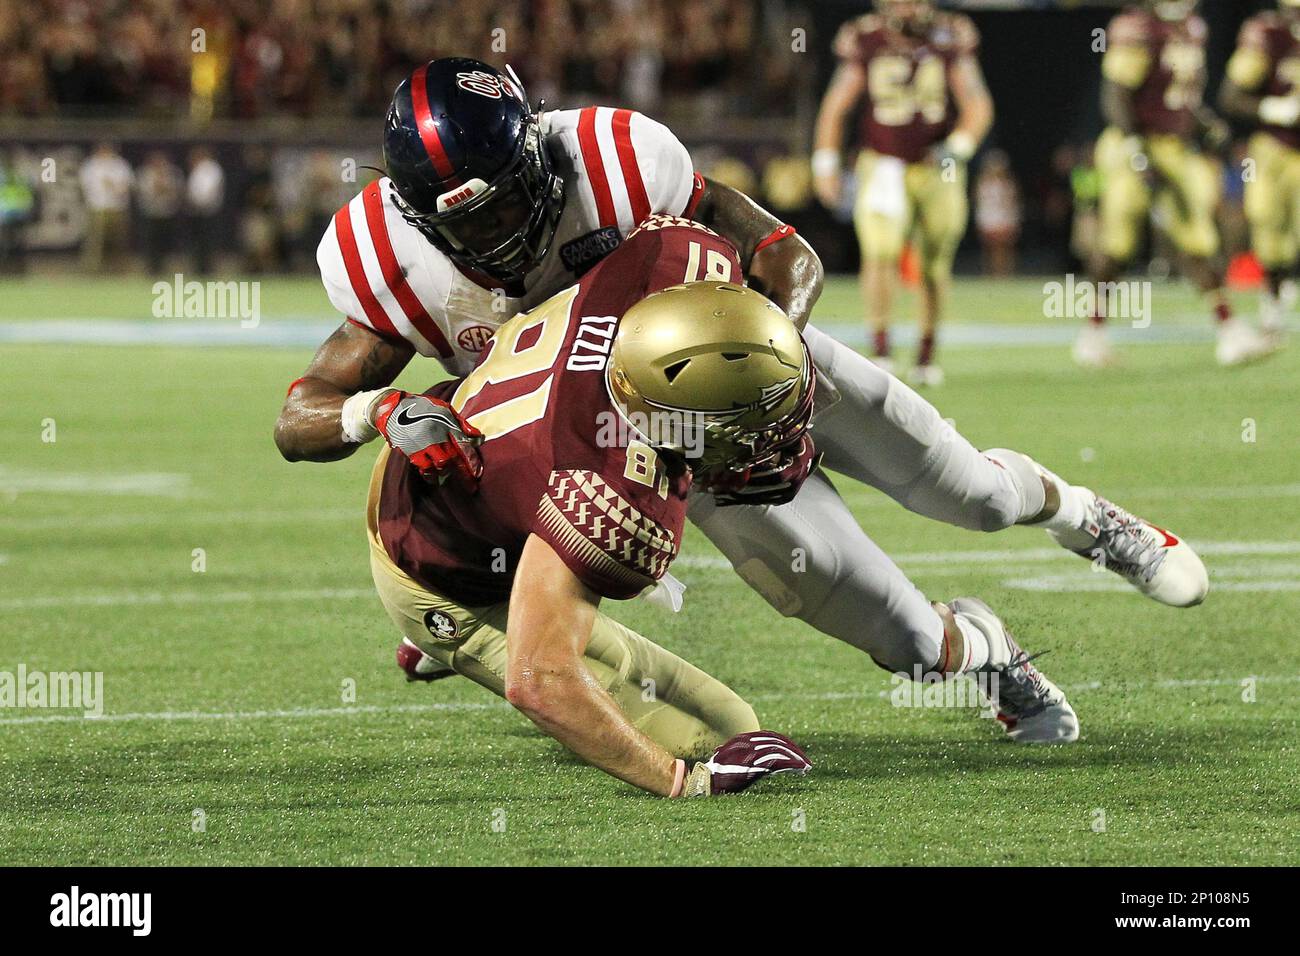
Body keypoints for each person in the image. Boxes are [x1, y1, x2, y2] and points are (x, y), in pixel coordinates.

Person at [276, 58, 1210, 748]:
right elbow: (302, 412)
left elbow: (786, 254)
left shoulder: (615, 158)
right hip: (670, 455)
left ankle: (1090, 519)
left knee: (974, 495)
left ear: (536, 151)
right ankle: (988, 656)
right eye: (465, 220)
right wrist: (374, 416)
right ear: (413, 214)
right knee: (900, 637)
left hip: (751, 362)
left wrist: (772, 355)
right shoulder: (389, 268)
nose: (500, 230)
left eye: (510, 197)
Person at [365, 217, 812, 797]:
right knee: (727, 729)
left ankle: (488, 607)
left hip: (463, 452)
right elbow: (539, 680)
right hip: (432, 562)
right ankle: (445, 636)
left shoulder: (669, 261)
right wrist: (684, 782)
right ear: (687, 423)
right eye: (746, 424)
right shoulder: (604, 496)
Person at [1078, 0, 1279, 368]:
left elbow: (1178, 98)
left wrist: (1203, 123)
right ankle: (1092, 335)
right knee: (1117, 244)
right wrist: (1138, 150)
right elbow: (1115, 94)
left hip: (1175, 148)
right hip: (1132, 145)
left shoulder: (1191, 29)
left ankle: (1230, 332)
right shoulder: (1136, 29)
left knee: (1197, 238)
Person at [811, 0, 993, 386]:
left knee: (934, 261)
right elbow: (836, 106)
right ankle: (881, 349)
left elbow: (977, 104)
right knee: (880, 253)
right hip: (883, 165)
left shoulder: (949, 35)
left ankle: (927, 354)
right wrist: (825, 162)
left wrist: (955, 149)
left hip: (937, 164)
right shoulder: (866, 37)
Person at [1219, 0, 1300, 341]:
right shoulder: (1267, 34)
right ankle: (1273, 308)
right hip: (1275, 149)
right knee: (1268, 226)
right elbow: (1231, 97)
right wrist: (1274, 108)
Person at [78, 142, 133, 273]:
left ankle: (119, 270)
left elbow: (128, 186)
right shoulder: (90, 165)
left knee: (119, 242)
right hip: (97, 208)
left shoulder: (120, 165)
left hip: (117, 208)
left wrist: (114, 187)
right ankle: (92, 271)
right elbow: (83, 186)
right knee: (95, 243)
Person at [135, 151, 184, 275]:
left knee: (167, 244)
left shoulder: (173, 173)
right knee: (150, 244)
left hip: (167, 214)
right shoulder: (144, 174)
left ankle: (168, 268)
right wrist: (158, 188)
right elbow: (143, 193)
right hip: (150, 213)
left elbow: (177, 192)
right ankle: (151, 269)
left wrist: (165, 188)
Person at [975, 149, 1021, 277]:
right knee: (988, 247)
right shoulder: (982, 183)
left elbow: (1012, 201)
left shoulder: (1008, 183)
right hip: (988, 217)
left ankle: (1005, 272)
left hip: (1004, 216)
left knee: (1005, 247)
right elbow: (978, 200)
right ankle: (990, 272)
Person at [186, 146, 224, 274]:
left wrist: (199, 203)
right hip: (197, 212)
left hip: (208, 212)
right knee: (198, 244)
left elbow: (210, 191)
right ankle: (200, 269)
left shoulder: (211, 169)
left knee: (208, 243)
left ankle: (207, 270)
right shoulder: (197, 170)